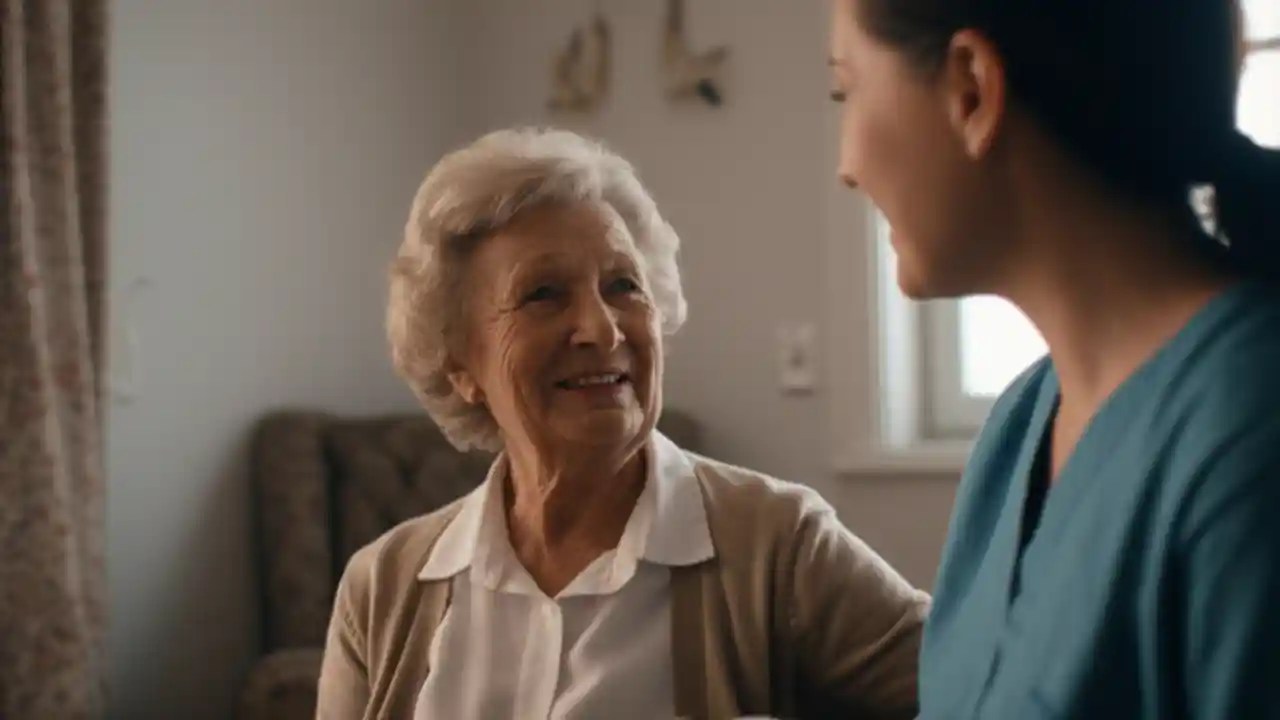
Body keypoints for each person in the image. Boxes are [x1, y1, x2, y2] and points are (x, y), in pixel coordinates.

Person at [315, 127, 929, 719]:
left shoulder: (780, 545)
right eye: (544, 294)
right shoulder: (383, 588)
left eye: (622, 286)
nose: (602, 329)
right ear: (460, 366)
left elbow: (989, 696)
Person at [827, 0, 1280, 717]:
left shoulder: (1248, 435)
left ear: (972, 90)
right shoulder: (1020, 426)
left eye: (845, 91)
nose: (846, 166)